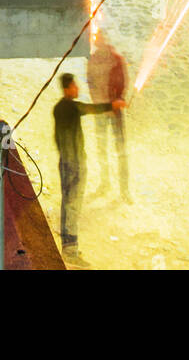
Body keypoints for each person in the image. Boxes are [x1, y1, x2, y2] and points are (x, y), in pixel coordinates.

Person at [53, 72, 125, 260]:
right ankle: (70, 251)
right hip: (74, 163)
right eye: (75, 86)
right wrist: (113, 106)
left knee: (67, 203)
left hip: (65, 162)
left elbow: (57, 138)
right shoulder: (72, 107)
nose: (78, 89)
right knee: (73, 204)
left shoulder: (58, 108)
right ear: (68, 88)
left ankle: (69, 245)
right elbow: (92, 109)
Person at [87, 31, 131, 202]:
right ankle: (106, 183)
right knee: (103, 149)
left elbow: (123, 82)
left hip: (112, 111)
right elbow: (90, 83)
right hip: (102, 110)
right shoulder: (95, 60)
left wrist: (118, 98)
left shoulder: (116, 60)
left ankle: (123, 188)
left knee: (120, 150)